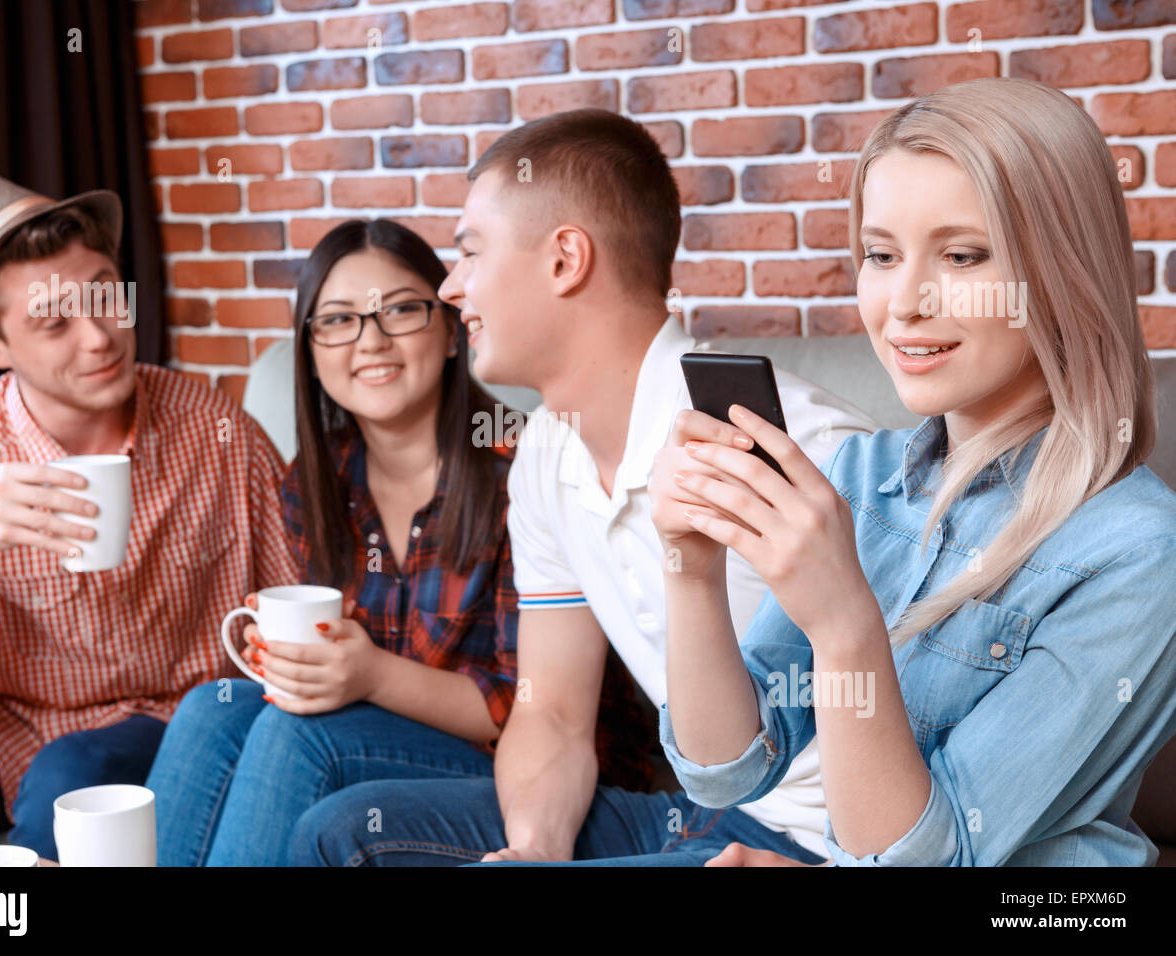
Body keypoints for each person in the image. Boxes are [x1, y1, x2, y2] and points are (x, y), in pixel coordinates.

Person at [288, 110, 877, 867]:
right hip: (691, 815)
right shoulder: (544, 454)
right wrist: (533, 849)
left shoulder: (802, 447)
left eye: (470, 251)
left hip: (818, 845)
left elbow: (943, 728)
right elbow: (556, 714)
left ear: (566, 259)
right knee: (342, 834)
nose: (450, 286)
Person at [652, 77, 1176, 866]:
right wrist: (692, 570)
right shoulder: (861, 475)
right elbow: (728, 770)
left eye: (961, 256)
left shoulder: (1140, 553)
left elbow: (935, 859)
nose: (903, 304)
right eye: (881, 255)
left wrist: (843, 622)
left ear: (1062, 271)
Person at [144, 218, 655, 866]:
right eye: (338, 320)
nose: (371, 341)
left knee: (292, 733)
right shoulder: (319, 478)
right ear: (311, 348)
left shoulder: (521, 463)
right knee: (211, 712)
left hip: (537, 775)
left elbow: (529, 709)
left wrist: (367, 674)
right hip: (383, 739)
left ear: (449, 329)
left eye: (402, 311)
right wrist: (303, 663)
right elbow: (344, 652)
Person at [0, 171, 299, 860]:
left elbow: (290, 610)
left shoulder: (217, 431)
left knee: (70, 789)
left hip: (166, 720)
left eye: (107, 298)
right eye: (54, 323)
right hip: (4, 723)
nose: (100, 338)